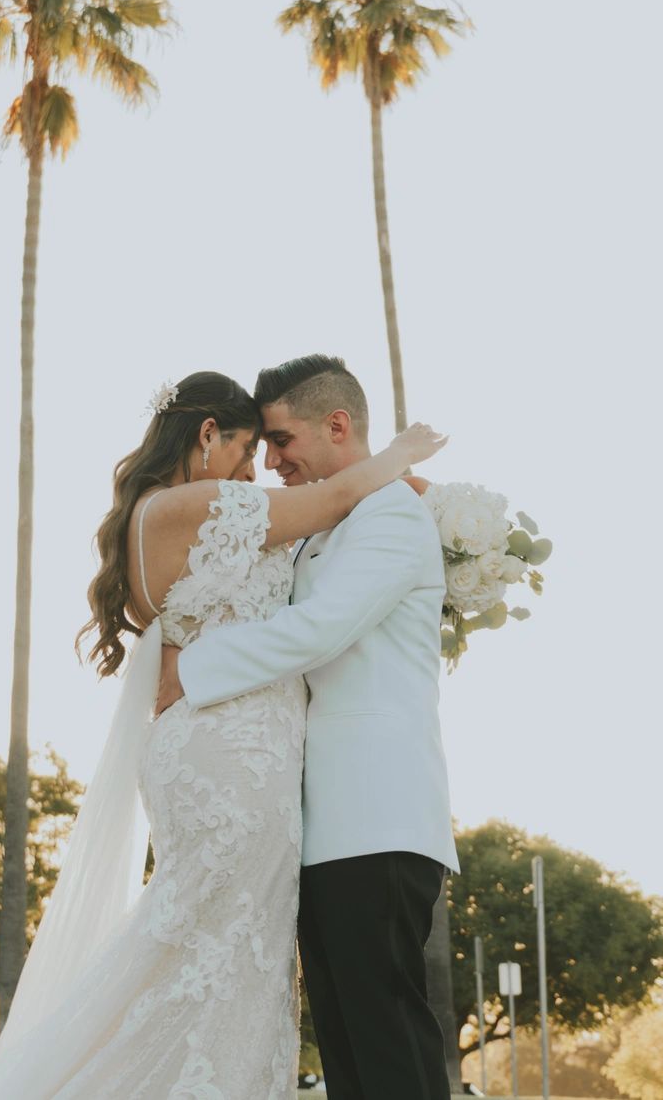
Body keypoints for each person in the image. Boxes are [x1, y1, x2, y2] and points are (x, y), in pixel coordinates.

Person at [0, 366, 446, 1100]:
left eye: (275, 446)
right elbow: (330, 509)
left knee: (221, 958)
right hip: (236, 758)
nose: (262, 470)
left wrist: (437, 508)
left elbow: (331, 552)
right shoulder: (208, 505)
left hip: (264, 769)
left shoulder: (177, 513)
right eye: (253, 448)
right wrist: (400, 458)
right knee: (228, 961)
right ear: (208, 433)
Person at [164, 354, 457, 1100]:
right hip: (320, 824)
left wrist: (192, 669)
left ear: (336, 424)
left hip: (377, 816)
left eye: (281, 438)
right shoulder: (324, 527)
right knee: (349, 1046)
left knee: (386, 1034)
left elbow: (320, 628)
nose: (270, 460)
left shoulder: (391, 513)